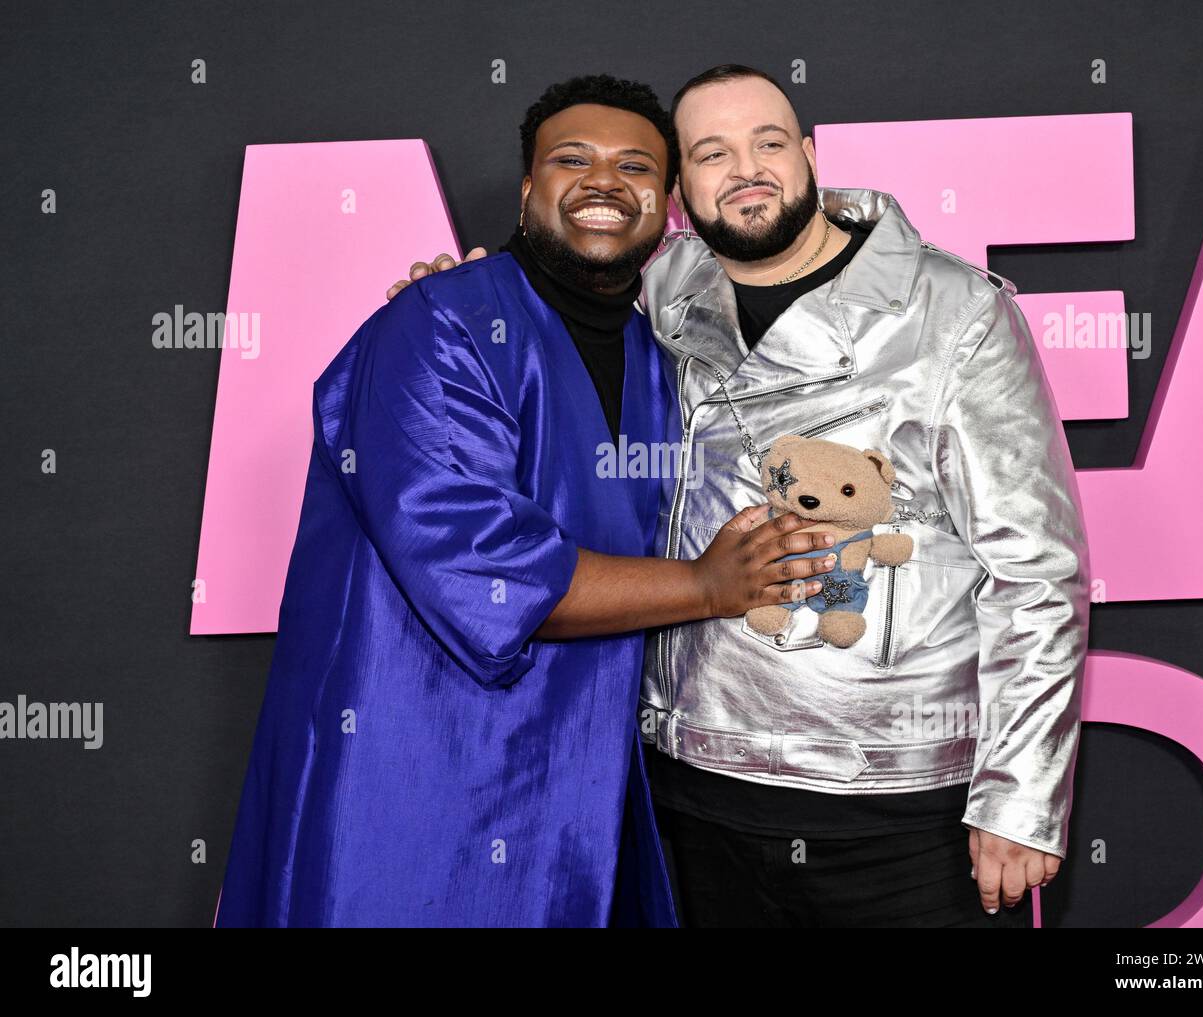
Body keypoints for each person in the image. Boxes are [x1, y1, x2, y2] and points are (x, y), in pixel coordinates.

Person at [397, 66, 1091, 928]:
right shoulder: (659, 289)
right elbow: (545, 304)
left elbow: (1036, 571)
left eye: (769, 143)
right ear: (682, 192)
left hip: (896, 801)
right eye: (712, 153)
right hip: (692, 787)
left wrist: (1019, 796)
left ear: (809, 155)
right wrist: (456, 299)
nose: (748, 168)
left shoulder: (955, 313)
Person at [214, 74, 839, 928]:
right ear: (526, 189)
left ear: (667, 205)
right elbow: (484, 567)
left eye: (635, 166)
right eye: (571, 160)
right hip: (412, 771)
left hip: (582, 782)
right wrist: (707, 586)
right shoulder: (438, 325)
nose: (604, 182)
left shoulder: (668, 356)